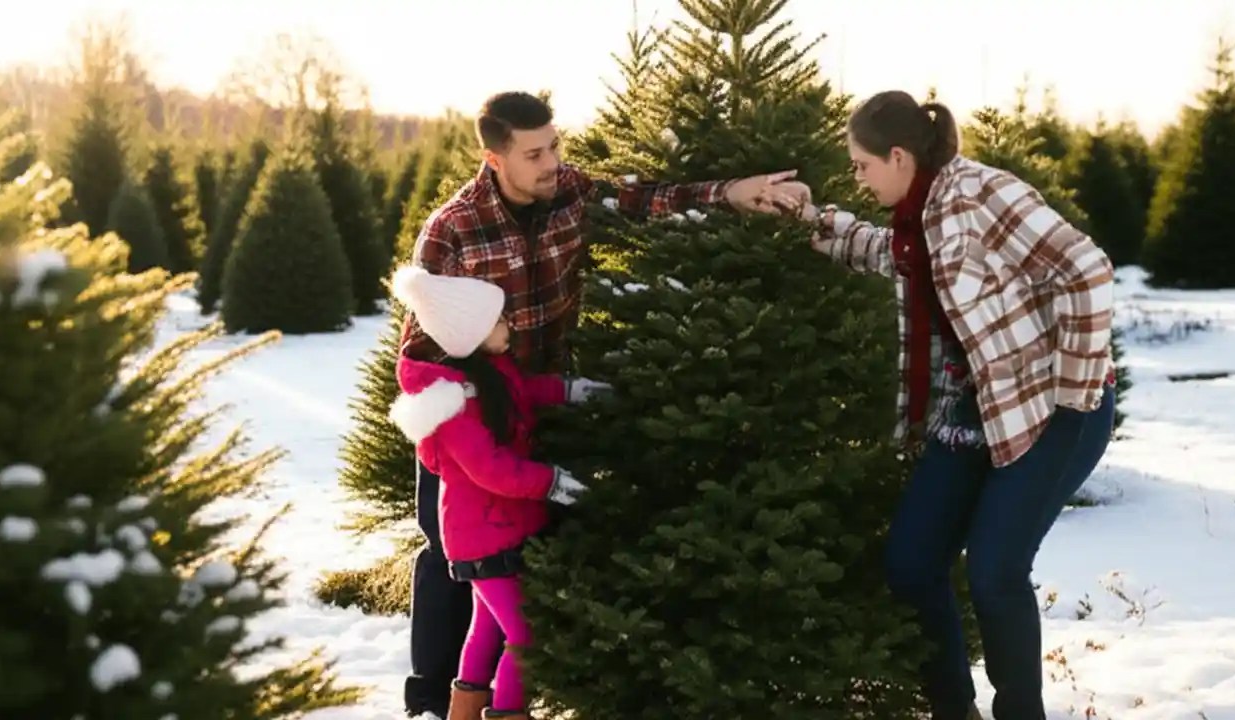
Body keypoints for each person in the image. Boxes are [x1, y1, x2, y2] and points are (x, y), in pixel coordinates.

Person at [398, 90, 810, 719]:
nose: (551, 162)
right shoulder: (454, 230)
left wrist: (731, 192)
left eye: (554, 146)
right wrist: (460, 429)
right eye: (534, 154)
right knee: (448, 547)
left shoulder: (567, 192)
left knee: (521, 559)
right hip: (472, 422)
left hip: (543, 402)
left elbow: (643, 199)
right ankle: (431, 700)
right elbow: (420, 350)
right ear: (495, 157)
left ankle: (532, 686)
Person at [799, 90, 1116, 720]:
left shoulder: (979, 193)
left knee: (996, 572)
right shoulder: (917, 215)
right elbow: (884, 253)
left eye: (861, 166)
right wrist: (808, 219)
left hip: (1055, 409)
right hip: (975, 410)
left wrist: (1073, 394)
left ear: (897, 156)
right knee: (912, 562)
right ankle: (953, 709)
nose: (857, 179)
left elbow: (1088, 270)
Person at [389, 265, 607, 720]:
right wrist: (551, 481)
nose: (511, 326)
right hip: (481, 534)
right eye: (500, 321)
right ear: (470, 334)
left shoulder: (487, 371)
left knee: (486, 626)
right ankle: (509, 713)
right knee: (525, 636)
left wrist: (570, 391)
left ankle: (463, 712)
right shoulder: (452, 404)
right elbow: (490, 470)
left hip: (499, 526)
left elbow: (522, 390)